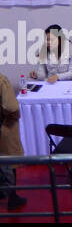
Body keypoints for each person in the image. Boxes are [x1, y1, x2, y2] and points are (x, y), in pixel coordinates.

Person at [0, 71, 23, 210]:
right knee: (10, 161)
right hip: (4, 127)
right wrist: (15, 117)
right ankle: (13, 197)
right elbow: (12, 107)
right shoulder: (2, 80)